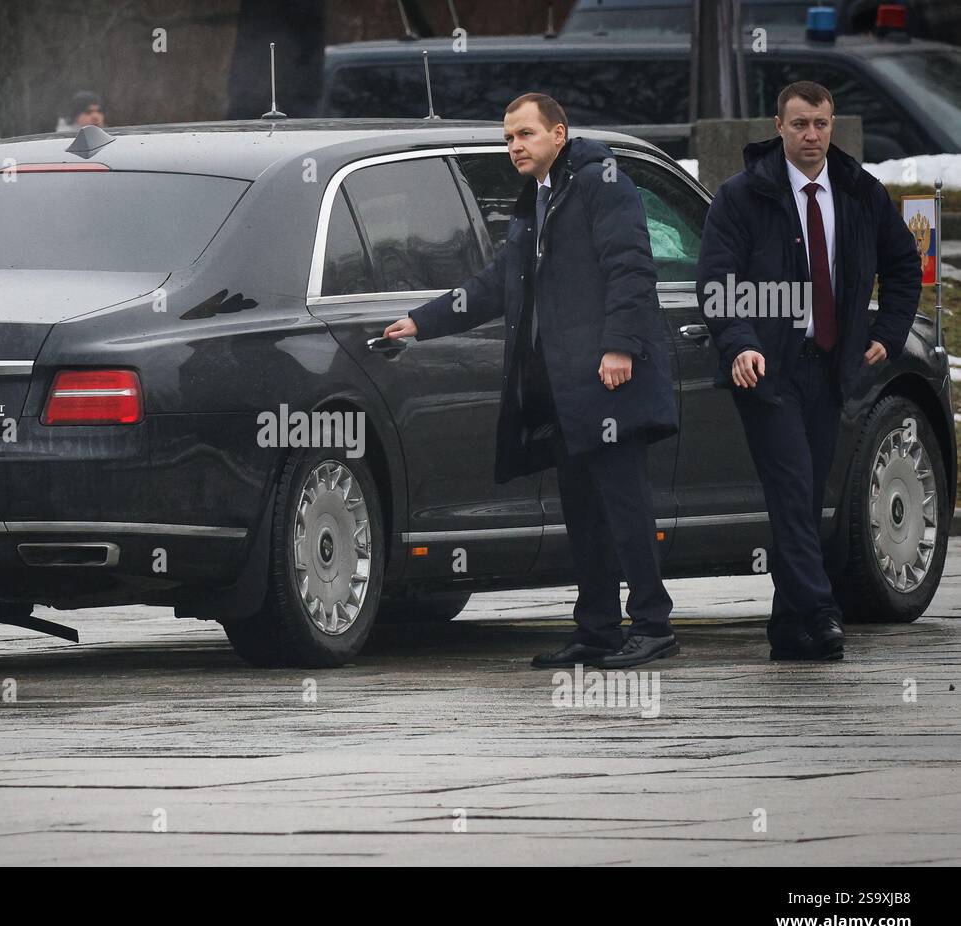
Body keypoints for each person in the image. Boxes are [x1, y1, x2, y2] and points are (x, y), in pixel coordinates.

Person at [384, 93, 679, 669]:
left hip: (609, 381)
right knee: (584, 513)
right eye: (509, 138)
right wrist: (425, 320)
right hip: (564, 389)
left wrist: (620, 346)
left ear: (559, 133)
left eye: (526, 134)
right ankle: (596, 629)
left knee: (625, 510)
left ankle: (652, 624)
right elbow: (498, 282)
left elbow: (632, 266)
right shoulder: (538, 197)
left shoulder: (602, 181)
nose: (515, 146)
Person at [697, 81, 921, 661]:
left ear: (832, 125)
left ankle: (789, 628)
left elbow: (904, 264)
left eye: (821, 124)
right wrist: (740, 344)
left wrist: (886, 334)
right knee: (793, 488)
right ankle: (821, 611)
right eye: (800, 124)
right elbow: (718, 282)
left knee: (808, 495)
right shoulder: (743, 195)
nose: (812, 136)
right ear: (778, 126)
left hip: (831, 370)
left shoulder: (859, 192)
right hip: (768, 372)